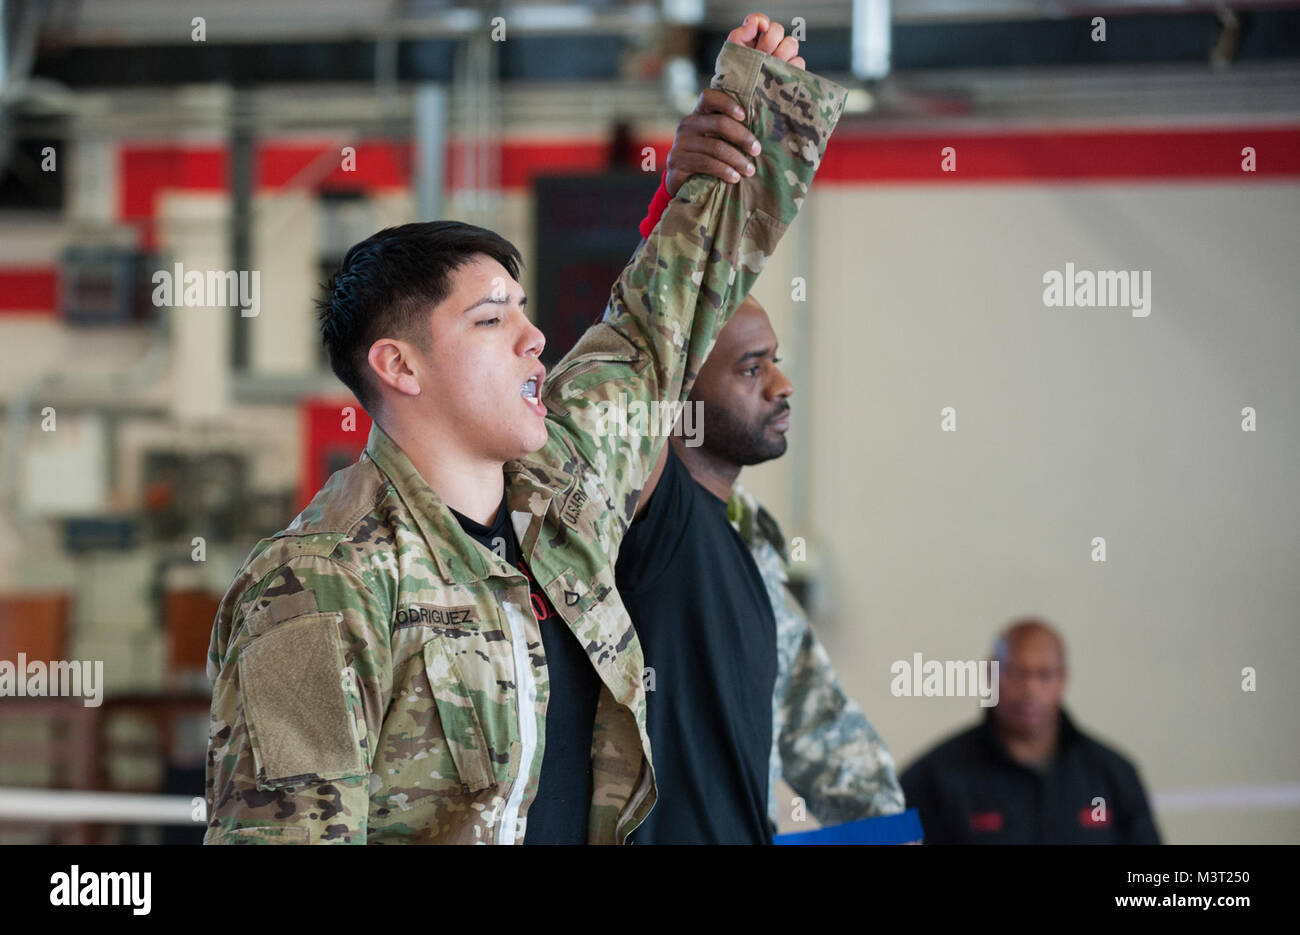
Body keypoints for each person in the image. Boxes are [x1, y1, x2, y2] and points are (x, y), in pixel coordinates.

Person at [202, 13, 847, 845]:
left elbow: (660, 320)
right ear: (400, 367)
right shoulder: (320, 584)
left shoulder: (560, 489)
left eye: (526, 310)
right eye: (490, 319)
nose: (534, 337)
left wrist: (747, 123)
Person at [611, 106, 904, 842]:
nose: (781, 384)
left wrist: (887, 833)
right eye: (751, 367)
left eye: (775, 357)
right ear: (679, 390)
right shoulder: (644, 513)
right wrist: (678, 209)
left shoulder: (752, 538)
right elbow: (637, 359)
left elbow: (814, 712)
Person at [900, 618, 1161, 844]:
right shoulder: (934, 777)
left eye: (1044, 675)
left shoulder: (1112, 775)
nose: (1029, 690)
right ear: (990, 673)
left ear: (1062, 679)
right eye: (1015, 673)